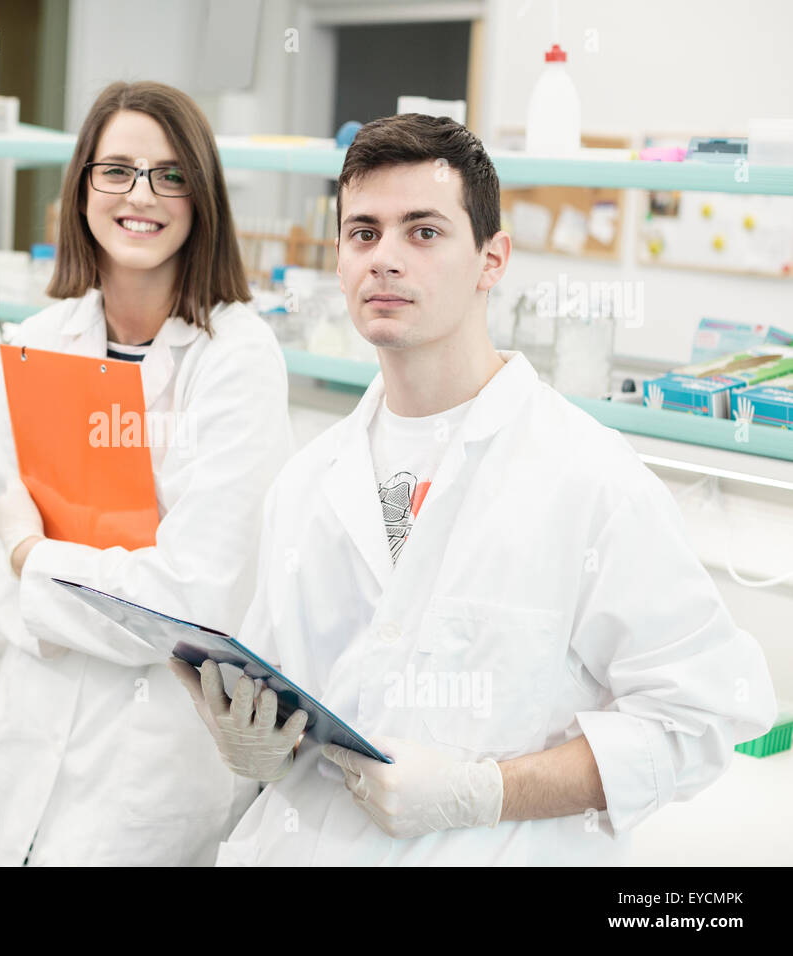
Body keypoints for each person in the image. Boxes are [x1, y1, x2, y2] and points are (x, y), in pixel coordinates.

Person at [172, 113, 777, 866]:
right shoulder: (306, 480)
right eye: (363, 233)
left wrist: (484, 790)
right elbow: (287, 695)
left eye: (423, 232)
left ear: (493, 259)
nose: (385, 258)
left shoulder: (591, 478)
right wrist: (255, 742)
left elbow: (699, 720)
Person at [0, 81, 293, 865]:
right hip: (27, 743)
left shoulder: (236, 358)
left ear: (201, 196)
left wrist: (33, 561)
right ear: (82, 187)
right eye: (118, 171)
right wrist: (42, 588)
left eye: (171, 175)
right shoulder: (39, 341)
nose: (143, 195)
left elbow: (189, 600)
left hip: (151, 773)